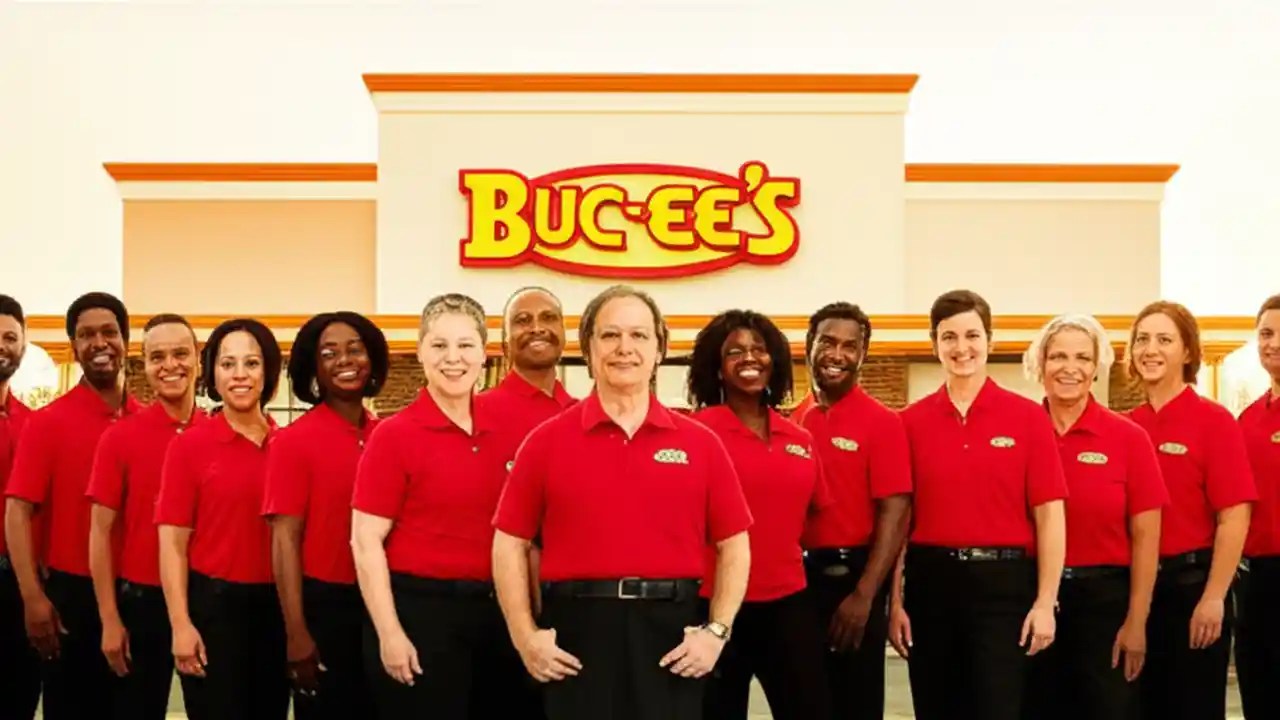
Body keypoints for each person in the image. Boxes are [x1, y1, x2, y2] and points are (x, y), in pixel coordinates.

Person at [492, 284, 754, 720]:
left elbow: (735, 545)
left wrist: (717, 632)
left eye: (638, 336)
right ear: (589, 349)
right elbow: (508, 543)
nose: (624, 349)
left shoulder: (700, 444)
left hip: (672, 638)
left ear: (659, 348)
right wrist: (524, 636)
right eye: (610, 335)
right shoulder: (546, 442)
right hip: (576, 637)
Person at [351, 293, 535, 719]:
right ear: (420, 352)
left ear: (485, 353)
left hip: (499, 613)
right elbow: (365, 542)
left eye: (465, 345)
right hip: (422, 615)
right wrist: (390, 632)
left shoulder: (512, 431)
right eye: (439, 345)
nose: (453, 358)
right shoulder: (394, 436)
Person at [890, 289, 1067, 720]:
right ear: (935, 344)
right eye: (949, 337)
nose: (961, 347)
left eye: (972, 335)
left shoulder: (1027, 419)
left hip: (1003, 588)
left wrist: (1046, 603)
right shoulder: (908, 423)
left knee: (998, 708)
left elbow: (1049, 515)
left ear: (989, 339)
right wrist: (894, 603)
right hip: (932, 585)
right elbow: (898, 522)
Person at [685, 309, 832, 720]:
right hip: (713, 608)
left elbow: (812, 518)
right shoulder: (697, 435)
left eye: (759, 350)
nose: (749, 358)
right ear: (716, 367)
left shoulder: (800, 438)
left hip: (789, 605)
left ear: (776, 361)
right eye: (734, 352)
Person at [1019, 314, 1167, 720]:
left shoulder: (1129, 438)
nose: (1070, 368)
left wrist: (1137, 620)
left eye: (1083, 358)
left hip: (1105, 604)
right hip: (1030, 599)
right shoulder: (1020, 431)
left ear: (1097, 366)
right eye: (1058, 357)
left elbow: (1147, 537)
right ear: (1040, 364)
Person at [4, 291, 141, 719]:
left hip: (140, 597)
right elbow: (18, 512)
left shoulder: (148, 424)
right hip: (71, 599)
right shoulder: (46, 424)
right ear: (74, 348)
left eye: (108, 332)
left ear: (125, 341)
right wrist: (32, 597)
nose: (99, 343)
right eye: (86, 335)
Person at [1122, 300, 1255, 720]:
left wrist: (1214, 596)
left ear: (1188, 352)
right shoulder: (1125, 427)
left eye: (1164, 339)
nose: (1150, 349)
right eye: (1142, 339)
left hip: (1191, 591)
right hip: (1131, 593)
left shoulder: (1214, 422)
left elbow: (1234, 515)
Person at [155, 318, 288, 720]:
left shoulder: (288, 445)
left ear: (268, 371)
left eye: (251, 363)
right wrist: (180, 624)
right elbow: (172, 543)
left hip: (276, 612)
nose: (240, 375)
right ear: (212, 372)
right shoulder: (189, 447)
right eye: (228, 364)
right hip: (213, 611)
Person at [262, 311, 388, 719]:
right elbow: (285, 541)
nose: (345, 360)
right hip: (326, 609)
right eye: (329, 353)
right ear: (313, 369)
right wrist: (296, 632)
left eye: (355, 349)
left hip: (387, 604)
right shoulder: (292, 443)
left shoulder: (388, 436)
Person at [87, 314, 205, 720]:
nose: (169, 365)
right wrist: (108, 619)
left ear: (199, 359)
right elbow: (100, 533)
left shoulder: (217, 431)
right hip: (141, 604)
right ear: (143, 365)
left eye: (179, 354)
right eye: (157, 356)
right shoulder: (119, 437)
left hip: (207, 602)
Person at [799, 301, 912, 720]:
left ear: (862, 355)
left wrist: (865, 597)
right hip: (798, 585)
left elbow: (896, 512)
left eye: (851, 346)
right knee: (806, 702)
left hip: (856, 579)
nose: (838, 354)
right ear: (810, 344)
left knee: (857, 704)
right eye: (828, 342)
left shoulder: (883, 423)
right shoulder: (793, 422)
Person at [1236, 293, 1280, 719]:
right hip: (1256, 580)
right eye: (1266, 333)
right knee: (1260, 691)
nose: (1274, 343)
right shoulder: (1247, 421)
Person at [0, 294, 39, 719]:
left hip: (20, 590)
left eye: (11, 337)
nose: (2, 345)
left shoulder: (34, 424)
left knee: (18, 700)